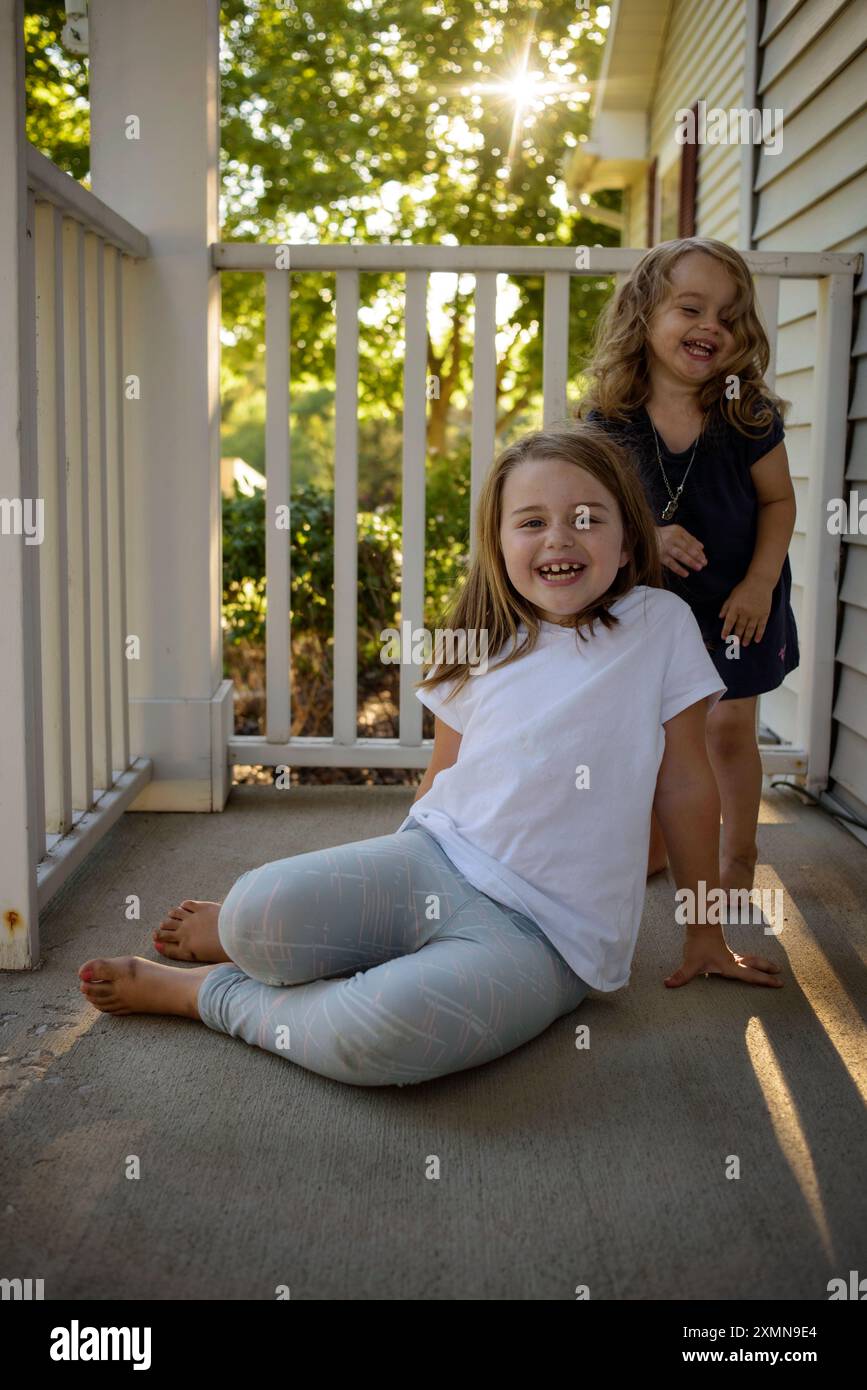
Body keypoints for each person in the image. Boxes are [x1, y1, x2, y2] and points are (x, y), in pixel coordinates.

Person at [78, 424, 783, 1090]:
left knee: (380, 1033)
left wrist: (703, 930)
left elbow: (687, 787)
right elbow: (441, 782)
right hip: (435, 861)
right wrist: (378, 910)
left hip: (546, 936)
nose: (560, 538)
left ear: (629, 542)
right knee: (252, 916)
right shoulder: (480, 635)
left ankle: (209, 995)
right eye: (531, 521)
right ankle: (265, 946)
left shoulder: (657, 626)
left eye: (587, 518)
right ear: (499, 544)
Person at [576, 236, 798, 893]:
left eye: (728, 318)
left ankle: (736, 855)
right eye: (690, 309)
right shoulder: (610, 421)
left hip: (739, 598)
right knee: (654, 730)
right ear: (642, 317)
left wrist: (759, 583)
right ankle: (659, 845)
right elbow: (591, 511)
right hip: (654, 604)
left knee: (729, 728)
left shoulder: (745, 414)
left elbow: (779, 501)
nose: (710, 327)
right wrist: (647, 529)